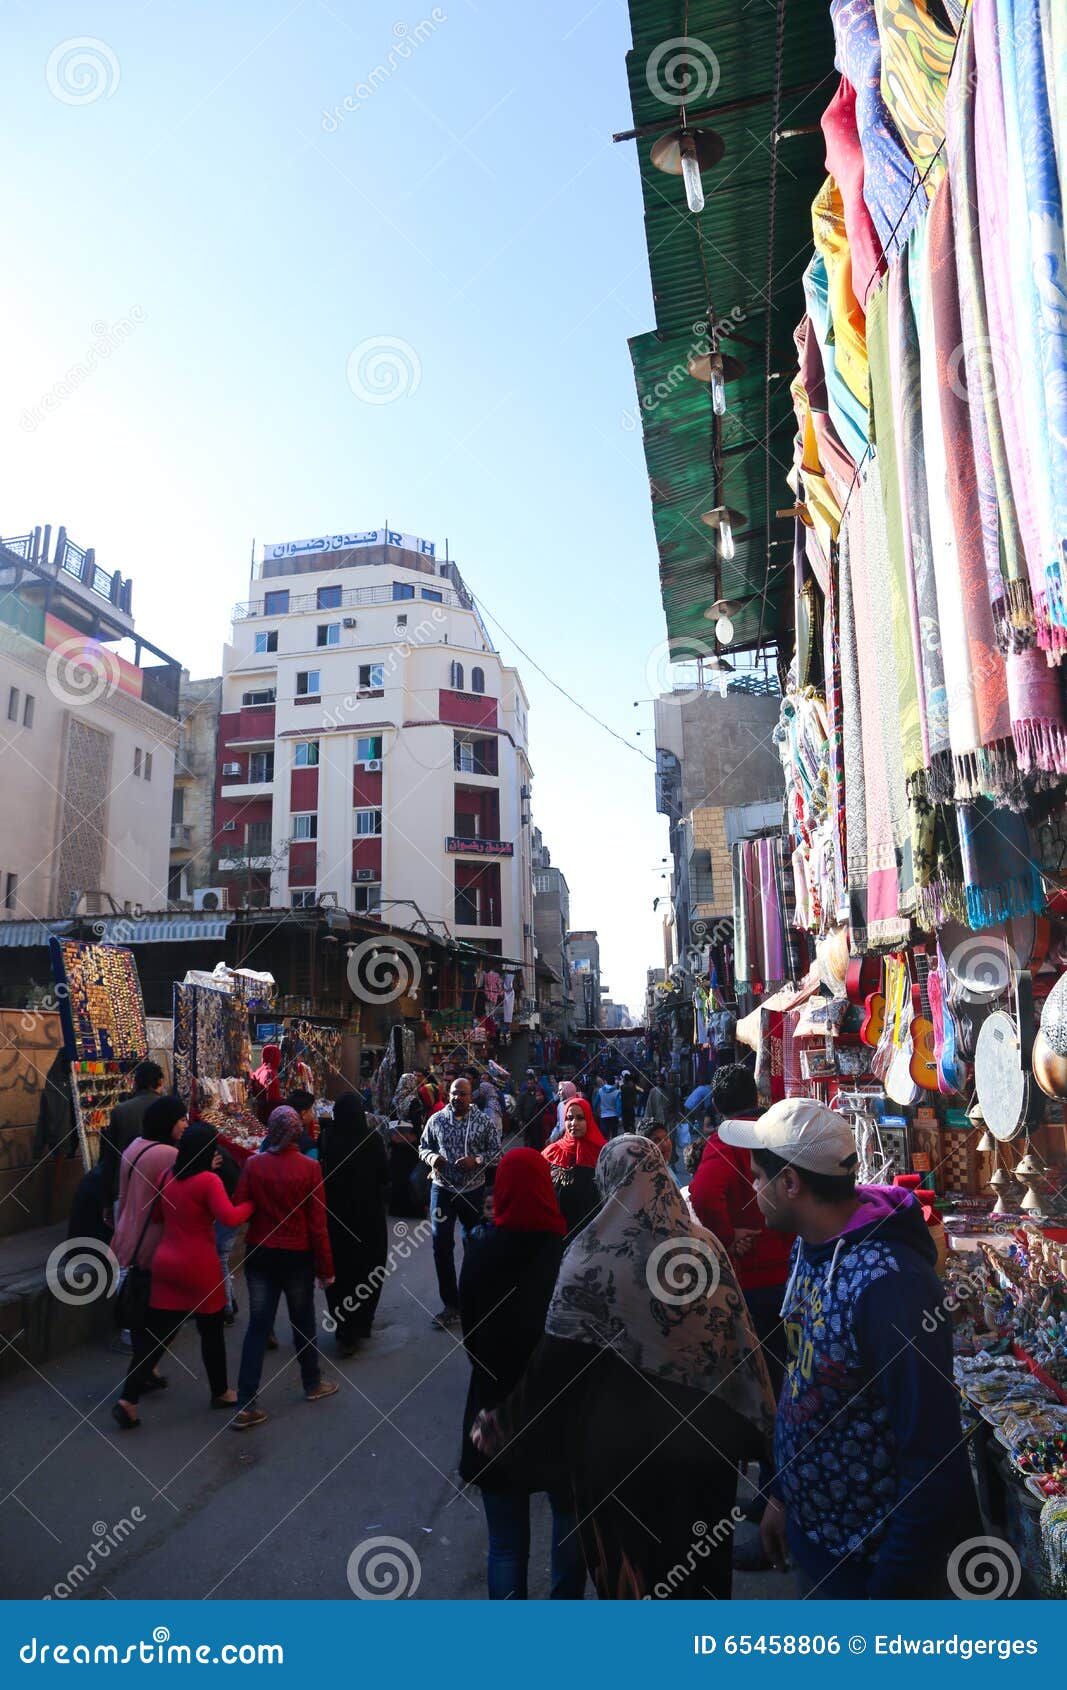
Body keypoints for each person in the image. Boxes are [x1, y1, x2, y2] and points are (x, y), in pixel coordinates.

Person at [472, 1136, 775, 1600]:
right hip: (705, 1447)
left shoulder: (592, 1256)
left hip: (624, 1455)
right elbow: (740, 1342)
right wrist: (768, 1441)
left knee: (634, 1575)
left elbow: (555, 1363)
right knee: (701, 1572)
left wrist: (505, 1423)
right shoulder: (704, 1246)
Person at [718, 1098, 981, 1599]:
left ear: (790, 1184)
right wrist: (783, 1495)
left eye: (757, 1178)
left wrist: (890, 1593)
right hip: (816, 1539)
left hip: (870, 1569)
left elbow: (933, 1456)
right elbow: (803, 1377)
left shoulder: (891, 1287)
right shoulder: (809, 1245)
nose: (753, 1191)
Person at [459, 1149, 585, 1600]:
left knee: (506, 1547)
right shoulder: (569, 1258)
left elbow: (471, 1339)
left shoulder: (480, 1255)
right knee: (570, 1528)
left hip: (495, 1413)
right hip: (560, 1414)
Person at [689, 1064, 793, 1560]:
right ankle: (774, 1489)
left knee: (763, 1390)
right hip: (787, 1273)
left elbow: (704, 1193)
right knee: (785, 1384)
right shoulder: (775, 1134)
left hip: (751, 1281)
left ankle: (777, 1505)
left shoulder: (727, 1142)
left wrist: (728, 1238)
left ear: (717, 1107)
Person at [112, 1124, 254, 1429]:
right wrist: (250, 1204)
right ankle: (221, 1392)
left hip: (166, 1263)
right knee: (211, 1331)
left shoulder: (167, 1176)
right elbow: (229, 1217)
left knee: (157, 1334)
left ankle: (128, 1400)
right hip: (199, 1266)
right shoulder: (208, 1181)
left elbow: (159, 1216)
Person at [231, 1106, 339, 1429]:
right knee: (302, 1321)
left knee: (258, 1326)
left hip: (261, 1252)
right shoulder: (310, 1168)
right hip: (296, 1255)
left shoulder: (254, 1165)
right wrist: (326, 1268)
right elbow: (317, 1224)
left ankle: (246, 1402)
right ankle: (312, 1383)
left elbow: (240, 1204)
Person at [418, 1076, 501, 1329]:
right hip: (442, 1190)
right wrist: (432, 1158)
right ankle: (451, 1305)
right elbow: (423, 1147)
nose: (458, 1098)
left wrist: (476, 1160)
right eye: (454, 1093)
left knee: (473, 1243)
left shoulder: (483, 1122)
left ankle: (471, 1298)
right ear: (448, 1094)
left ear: (471, 1095)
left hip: (472, 1192)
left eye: (463, 1093)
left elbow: (497, 1154)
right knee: (441, 1245)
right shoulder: (436, 1120)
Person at [318, 1091, 389, 1354]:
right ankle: (361, 1322)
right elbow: (384, 1176)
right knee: (369, 1268)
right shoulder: (372, 1140)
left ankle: (344, 1327)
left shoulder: (327, 1137)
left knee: (340, 1270)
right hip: (368, 1218)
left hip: (336, 1217)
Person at [98, 1060, 164, 1219]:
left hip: (126, 1189)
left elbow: (110, 1159)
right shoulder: (169, 1108)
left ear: (136, 1083)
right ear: (160, 1081)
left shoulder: (120, 1111)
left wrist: (107, 1201)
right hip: (160, 1189)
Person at [543, 1095, 606, 1237]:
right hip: (559, 1228)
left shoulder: (603, 1152)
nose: (574, 1123)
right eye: (569, 1118)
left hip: (593, 1227)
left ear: (589, 1119)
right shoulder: (552, 1152)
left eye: (580, 1118)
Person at [514, 1072, 550, 1151]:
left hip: (538, 1124)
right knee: (529, 1144)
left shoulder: (540, 1093)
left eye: (532, 1083)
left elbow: (546, 1105)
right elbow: (519, 1108)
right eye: (529, 1083)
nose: (530, 1085)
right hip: (528, 1124)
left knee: (539, 1143)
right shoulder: (523, 1095)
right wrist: (520, 1120)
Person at [250, 1043, 283, 1126]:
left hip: (261, 1112)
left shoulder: (259, 1071)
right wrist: (286, 1102)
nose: (279, 1060)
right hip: (270, 1115)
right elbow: (272, 1098)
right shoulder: (269, 1073)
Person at [284, 1089, 319, 1157]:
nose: (313, 1113)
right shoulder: (309, 1145)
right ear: (303, 1114)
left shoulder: (271, 1138)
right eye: (311, 1110)